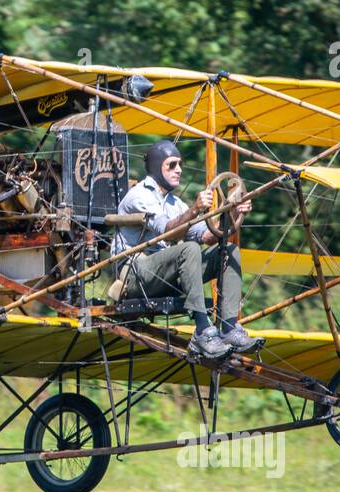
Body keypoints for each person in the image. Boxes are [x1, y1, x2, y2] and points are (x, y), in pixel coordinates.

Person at [110, 140, 263, 360]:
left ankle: (229, 328)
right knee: (189, 249)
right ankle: (202, 331)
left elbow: (209, 236)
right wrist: (194, 209)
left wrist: (232, 212)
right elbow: (167, 231)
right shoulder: (139, 196)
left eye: (180, 164)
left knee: (227, 250)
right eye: (172, 165)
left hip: (163, 275)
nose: (179, 170)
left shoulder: (174, 203)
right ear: (156, 167)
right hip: (135, 277)